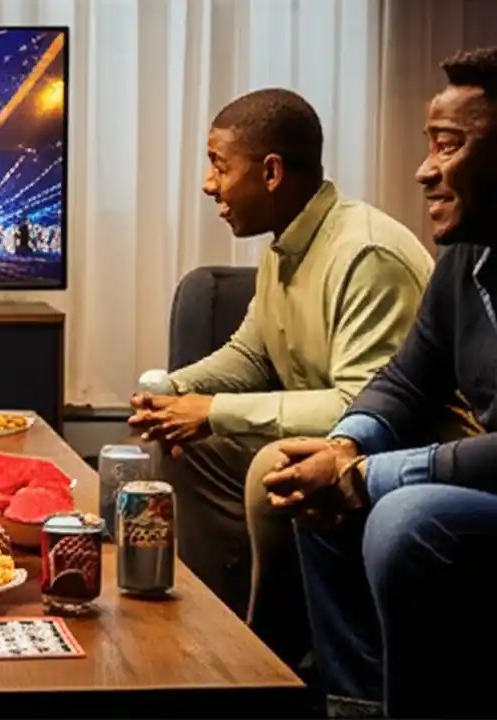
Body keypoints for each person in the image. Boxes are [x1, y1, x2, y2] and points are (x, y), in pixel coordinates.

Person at [127, 88, 439, 660]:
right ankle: (203, 630)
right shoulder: (284, 247)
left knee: (274, 461)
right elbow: (251, 355)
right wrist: (174, 393)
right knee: (189, 443)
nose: (207, 184)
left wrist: (213, 410)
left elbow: (367, 405)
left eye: (219, 165)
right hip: (326, 431)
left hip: (392, 449)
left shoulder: (365, 253)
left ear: (270, 172)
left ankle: (267, 658)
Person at [260, 47, 497, 718]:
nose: (424, 171)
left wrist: (367, 476)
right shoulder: (467, 261)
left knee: (405, 516)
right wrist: (339, 450)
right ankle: (356, 704)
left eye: (448, 146)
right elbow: (404, 380)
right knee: (315, 486)